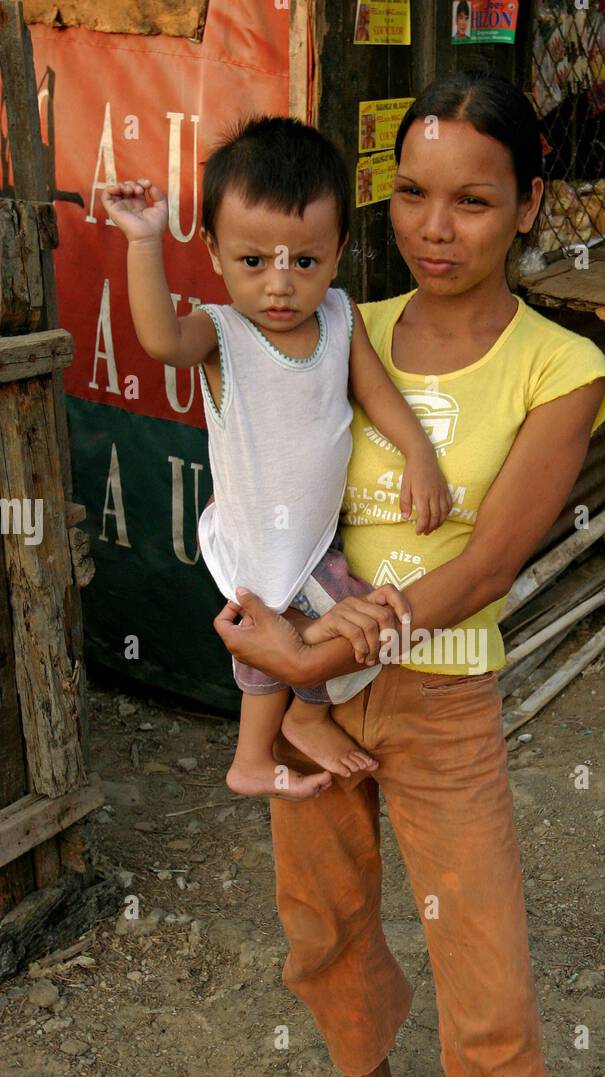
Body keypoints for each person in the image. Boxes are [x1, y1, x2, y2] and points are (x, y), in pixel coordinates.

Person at [213, 71, 605, 1077]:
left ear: (528, 203)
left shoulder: (561, 368)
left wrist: (316, 656)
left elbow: (484, 564)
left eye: (474, 201)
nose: (436, 230)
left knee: (483, 972)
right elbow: (249, 462)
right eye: (413, 197)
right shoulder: (334, 322)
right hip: (310, 695)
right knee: (320, 923)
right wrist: (294, 676)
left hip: (436, 703)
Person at [101, 117, 451, 800]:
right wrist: (143, 241)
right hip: (260, 538)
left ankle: (290, 727)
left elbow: (376, 394)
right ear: (213, 249)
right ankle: (258, 753)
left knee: (332, 629)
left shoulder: (342, 319)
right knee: (327, 630)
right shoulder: (220, 333)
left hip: (313, 538)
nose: (280, 286)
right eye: (253, 261)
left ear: (340, 248)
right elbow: (158, 339)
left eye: (305, 261)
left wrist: (420, 455)